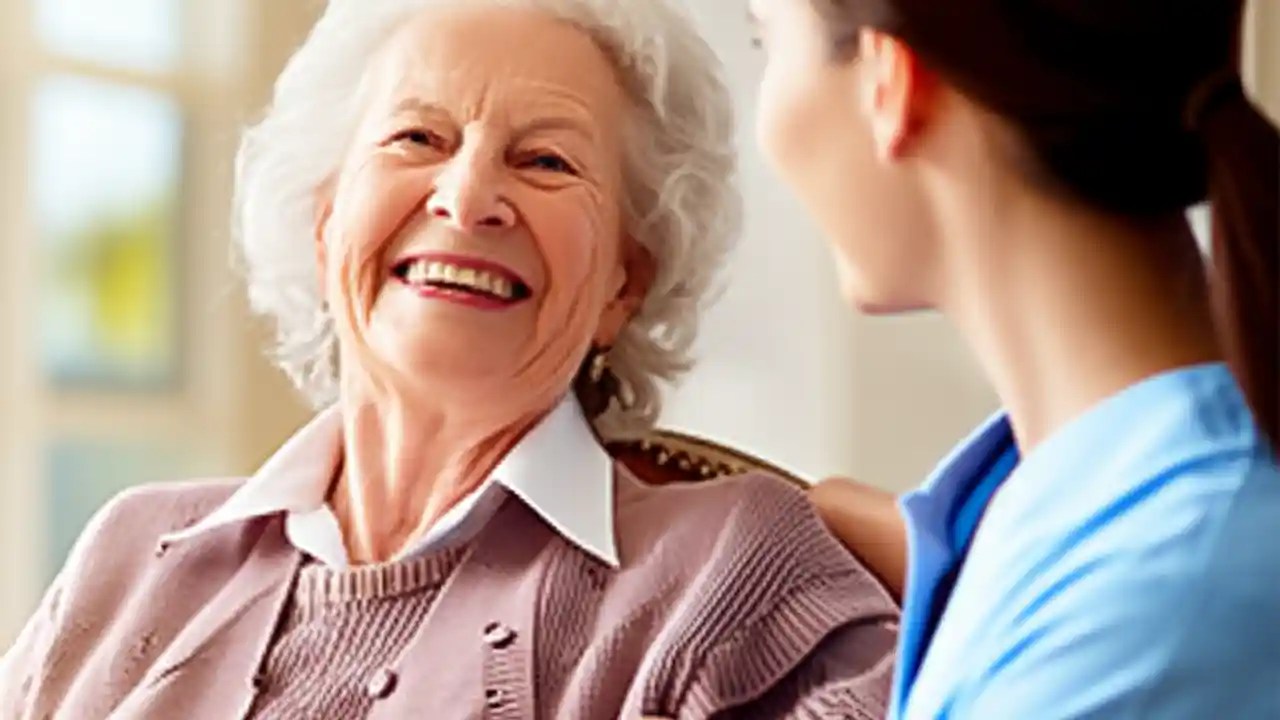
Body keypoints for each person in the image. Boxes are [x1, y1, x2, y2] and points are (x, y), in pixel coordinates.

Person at [0, 1, 900, 717]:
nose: (468, 198)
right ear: (325, 225)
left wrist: (948, 558)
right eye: (417, 139)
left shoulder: (733, 570)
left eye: (545, 161)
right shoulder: (135, 551)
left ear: (624, 284)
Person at [749, 0, 1280, 717]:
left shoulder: (1152, 613)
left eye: (765, 40)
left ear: (890, 82)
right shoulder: (1066, 508)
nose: (764, 136)